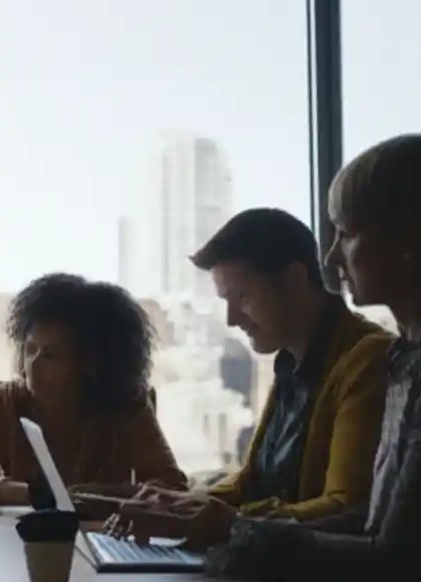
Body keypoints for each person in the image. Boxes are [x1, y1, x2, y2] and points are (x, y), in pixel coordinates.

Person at [138, 134, 421, 582]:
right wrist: (208, 516)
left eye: (346, 235)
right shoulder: (418, 351)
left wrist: (234, 530)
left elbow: (400, 560)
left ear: (406, 241)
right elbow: (373, 524)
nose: (330, 258)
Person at [108, 208, 392, 546]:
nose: (230, 319)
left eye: (241, 297)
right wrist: (185, 502)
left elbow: (347, 507)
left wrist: (232, 521)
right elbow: (252, 481)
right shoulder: (289, 360)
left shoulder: (366, 359)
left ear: (294, 281)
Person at [0, 274, 187, 506]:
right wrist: (35, 495)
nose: (32, 364)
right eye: (29, 349)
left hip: (102, 535)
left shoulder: (127, 402)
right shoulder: (7, 400)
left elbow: (171, 485)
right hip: (26, 535)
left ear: (90, 362)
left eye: (51, 355)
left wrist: (97, 496)